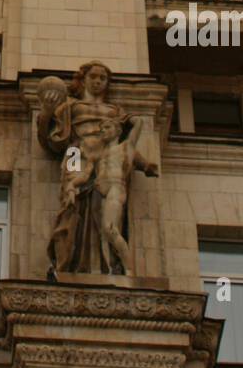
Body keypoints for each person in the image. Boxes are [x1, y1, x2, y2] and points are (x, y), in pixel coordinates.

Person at [37, 61, 158, 276]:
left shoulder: (114, 111)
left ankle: (106, 265)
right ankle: (66, 262)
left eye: (103, 78)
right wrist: (47, 111)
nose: (98, 81)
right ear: (83, 79)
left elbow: (125, 147)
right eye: (93, 76)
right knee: (71, 204)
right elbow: (51, 140)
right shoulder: (71, 106)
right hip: (76, 152)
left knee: (103, 214)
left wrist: (144, 164)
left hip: (104, 156)